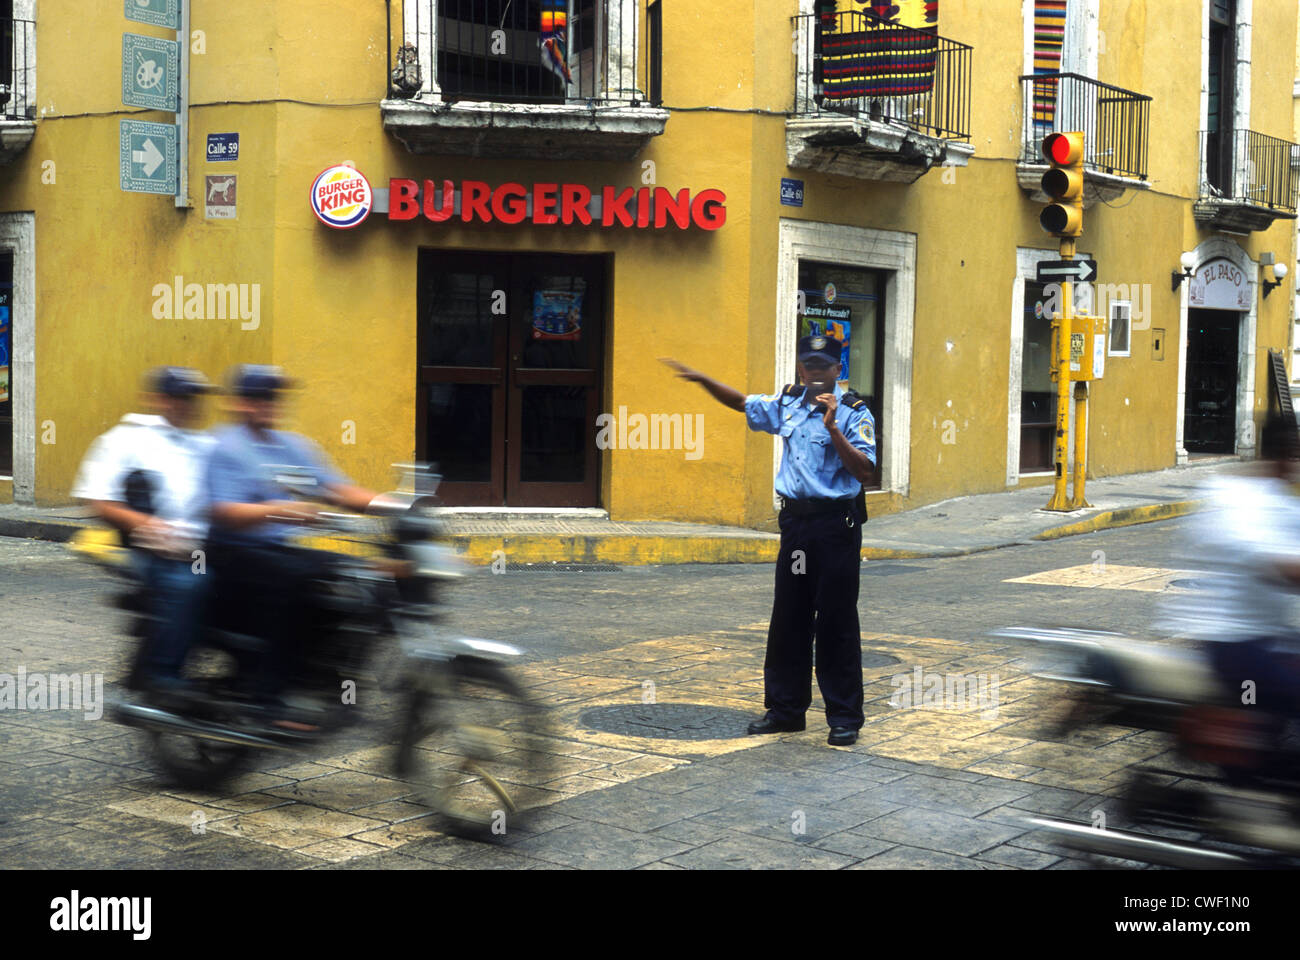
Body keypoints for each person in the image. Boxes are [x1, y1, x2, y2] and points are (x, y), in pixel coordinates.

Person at [661, 336, 877, 746]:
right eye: (807, 365)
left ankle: (844, 717)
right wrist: (704, 379)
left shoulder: (853, 413)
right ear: (800, 369)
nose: (813, 372)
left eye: (823, 365)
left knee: (836, 622)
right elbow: (743, 403)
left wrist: (832, 429)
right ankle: (786, 710)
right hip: (796, 527)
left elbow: (865, 471)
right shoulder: (789, 403)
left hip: (836, 528)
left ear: (838, 370)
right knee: (789, 618)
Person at [204, 365, 377, 728]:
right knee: (295, 582)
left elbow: (337, 489)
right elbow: (222, 512)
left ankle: (318, 677)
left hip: (275, 550)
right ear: (240, 402)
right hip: (230, 551)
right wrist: (279, 510)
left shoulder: (292, 445)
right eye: (259, 396)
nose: (268, 403)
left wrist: (395, 507)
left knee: (357, 574)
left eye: (273, 396)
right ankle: (265, 700)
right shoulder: (225, 446)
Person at [72, 366, 217, 697]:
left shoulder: (205, 444)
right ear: (158, 399)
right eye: (179, 397)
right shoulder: (125, 440)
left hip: (205, 546)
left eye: (193, 398)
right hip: (150, 548)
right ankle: (162, 673)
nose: (187, 404)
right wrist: (148, 525)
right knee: (191, 583)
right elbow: (97, 500)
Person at [1158, 414, 1300, 722]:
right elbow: (1273, 564)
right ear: (1288, 454)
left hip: (1267, 635)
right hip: (1236, 644)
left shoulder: (1279, 501)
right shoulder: (1236, 500)